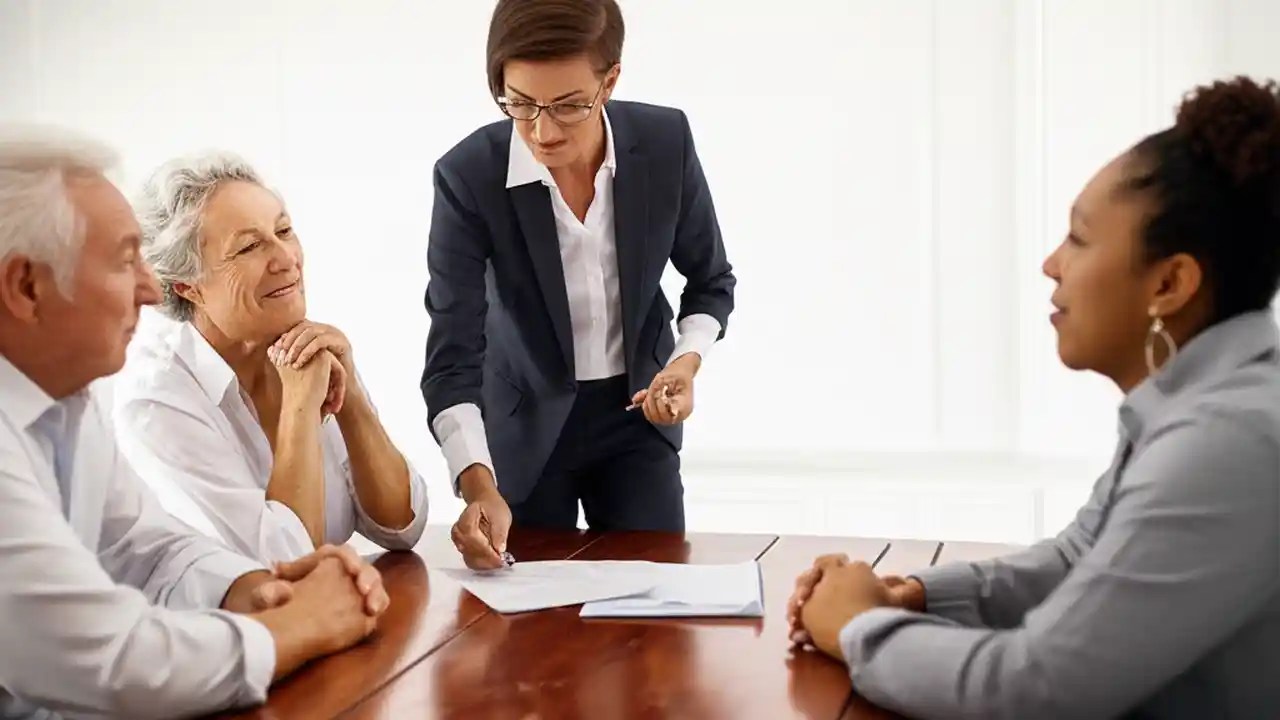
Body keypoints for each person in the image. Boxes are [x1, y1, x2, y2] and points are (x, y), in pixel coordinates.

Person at [789, 76, 1280, 719]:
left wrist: (857, 627)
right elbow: (1080, 557)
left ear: (1169, 284)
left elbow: (1034, 690)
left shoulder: (1225, 441)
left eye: (1079, 238)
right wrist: (911, 595)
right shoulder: (1197, 407)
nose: (1052, 264)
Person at [0, 125, 389, 719]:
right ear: (26, 287)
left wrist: (257, 590)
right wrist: (301, 624)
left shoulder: (68, 402)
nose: (151, 291)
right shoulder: (141, 395)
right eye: (123, 261)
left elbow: (149, 551)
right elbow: (116, 662)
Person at [423, 0, 736, 566]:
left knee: (659, 598)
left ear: (609, 82)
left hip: (637, 419)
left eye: (568, 105)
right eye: (520, 103)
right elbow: (452, 360)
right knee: (530, 614)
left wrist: (684, 363)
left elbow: (711, 279)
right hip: (522, 432)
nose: (541, 131)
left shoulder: (665, 142)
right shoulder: (467, 177)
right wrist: (476, 484)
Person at [111, 151, 431, 565]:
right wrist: (299, 407)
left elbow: (402, 526)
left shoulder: (305, 347)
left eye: (284, 230)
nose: (286, 259)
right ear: (187, 287)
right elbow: (283, 566)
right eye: (249, 247)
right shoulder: (156, 402)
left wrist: (351, 396)